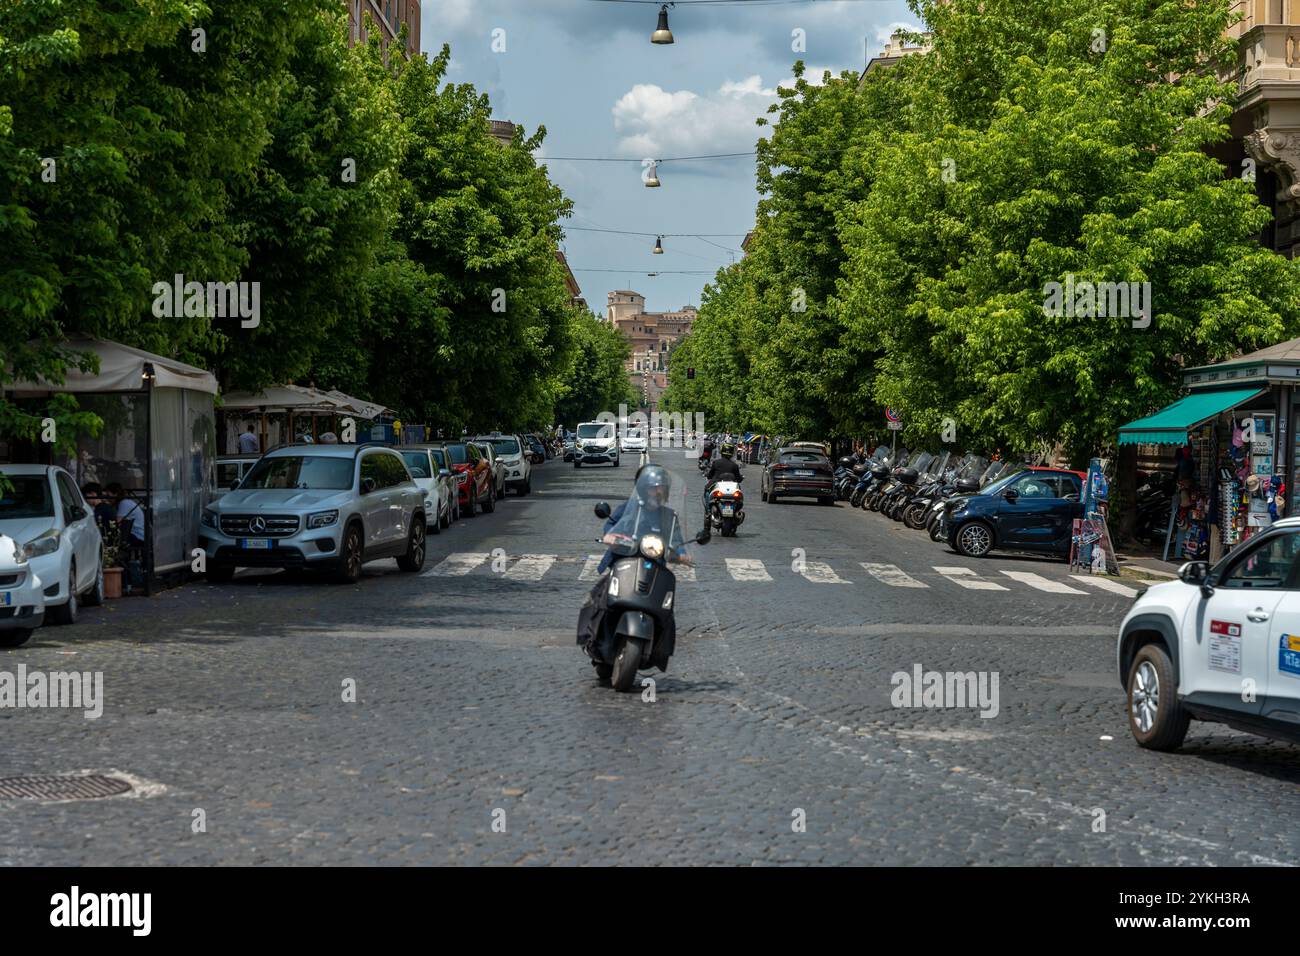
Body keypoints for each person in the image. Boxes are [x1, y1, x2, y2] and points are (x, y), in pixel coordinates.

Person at [700, 442, 742, 538]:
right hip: (730, 489)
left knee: (706, 491)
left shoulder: (716, 463)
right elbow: (739, 479)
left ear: (722, 451)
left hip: (716, 485)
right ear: (731, 453)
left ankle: (708, 513)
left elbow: (710, 475)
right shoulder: (734, 466)